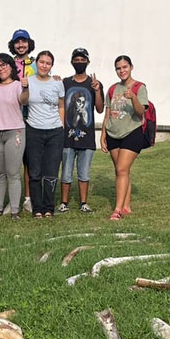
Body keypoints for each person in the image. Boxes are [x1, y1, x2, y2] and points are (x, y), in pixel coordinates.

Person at [102, 55, 148, 221]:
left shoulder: (139, 87)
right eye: (118, 68)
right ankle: (126, 206)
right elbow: (107, 113)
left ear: (131, 67)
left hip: (132, 133)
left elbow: (141, 112)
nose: (122, 71)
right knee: (121, 171)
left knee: (121, 169)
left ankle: (117, 210)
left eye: (124, 67)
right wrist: (102, 135)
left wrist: (133, 97)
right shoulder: (113, 89)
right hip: (113, 133)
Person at [59, 48, 104, 214]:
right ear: (71, 62)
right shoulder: (65, 82)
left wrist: (97, 89)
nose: (79, 63)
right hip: (67, 136)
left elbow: (99, 109)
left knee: (84, 172)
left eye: (82, 60)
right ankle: (64, 203)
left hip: (87, 136)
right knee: (66, 172)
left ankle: (83, 203)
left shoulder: (94, 84)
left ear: (88, 62)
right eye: (76, 60)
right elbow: (61, 105)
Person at [0, 53, 28, 219]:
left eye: (4, 65)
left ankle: (15, 210)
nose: (1, 68)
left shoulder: (18, 85)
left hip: (15, 131)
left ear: (11, 66)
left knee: (13, 172)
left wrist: (25, 88)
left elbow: (24, 100)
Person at [23, 50, 65, 218]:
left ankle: (49, 208)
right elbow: (23, 101)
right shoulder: (28, 82)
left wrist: (62, 126)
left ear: (51, 66)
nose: (44, 65)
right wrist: (24, 87)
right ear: (36, 63)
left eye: (48, 63)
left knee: (52, 171)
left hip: (55, 131)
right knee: (34, 172)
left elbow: (61, 106)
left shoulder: (57, 83)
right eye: (41, 62)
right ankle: (37, 208)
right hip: (33, 129)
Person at [9, 28, 38, 213]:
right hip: (12, 114)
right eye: (17, 42)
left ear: (29, 43)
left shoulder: (36, 63)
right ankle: (10, 199)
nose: (21, 45)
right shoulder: (8, 64)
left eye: (24, 41)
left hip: (32, 115)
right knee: (11, 161)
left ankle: (28, 197)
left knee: (29, 160)